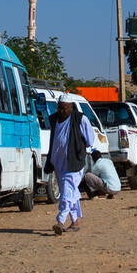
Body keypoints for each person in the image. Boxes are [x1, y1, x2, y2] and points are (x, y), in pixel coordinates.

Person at [46, 100, 96, 234]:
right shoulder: (54, 119)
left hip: (74, 162)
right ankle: (75, 222)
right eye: (60, 108)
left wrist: (78, 147)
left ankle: (60, 221)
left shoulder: (81, 119)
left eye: (65, 108)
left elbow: (90, 140)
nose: (62, 111)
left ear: (71, 107)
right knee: (69, 192)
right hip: (58, 163)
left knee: (67, 191)